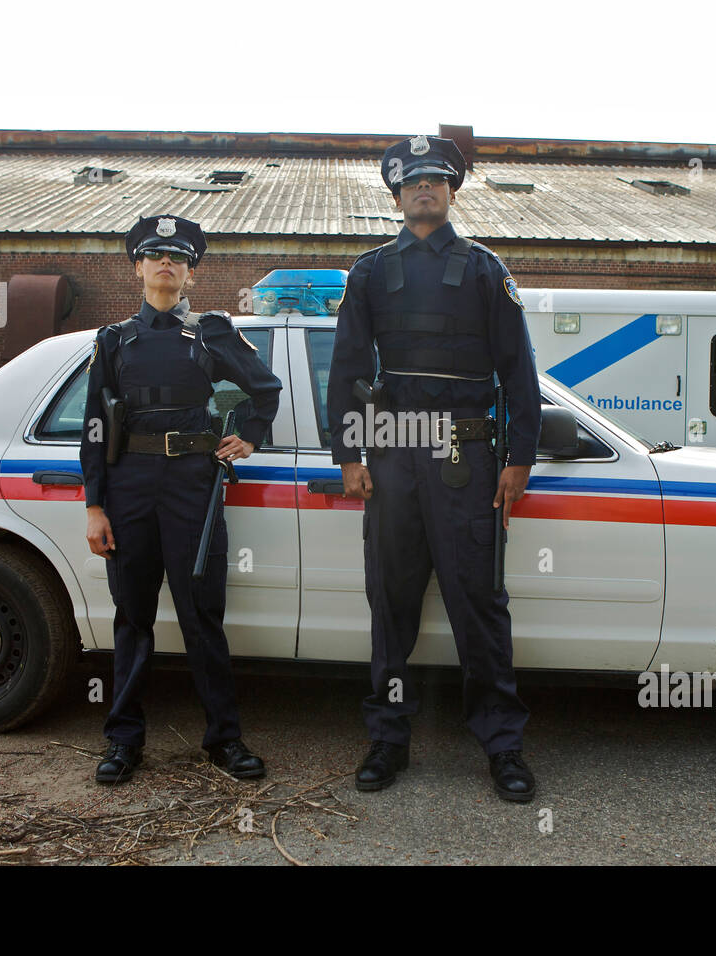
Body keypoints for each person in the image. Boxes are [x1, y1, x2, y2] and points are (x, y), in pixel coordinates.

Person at [327, 136, 542, 802]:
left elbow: (519, 372)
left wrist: (519, 457)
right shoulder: (368, 274)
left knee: (478, 606)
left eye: (436, 181)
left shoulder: (484, 271)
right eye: (412, 182)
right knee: (390, 607)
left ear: (451, 192)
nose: (424, 190)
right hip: (392, 462)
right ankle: (389, 738)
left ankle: (502, 746)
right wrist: (349, 455)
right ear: (396, 195)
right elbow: (348, 373)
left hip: (465, 459)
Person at [81, 215, 282, 784]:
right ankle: (123, 742)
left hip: (194, 484)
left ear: (190, 271)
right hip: (129, 488)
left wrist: (250, 434)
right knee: (133, 619)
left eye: (177, 257)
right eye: (154, 255)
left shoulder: (211, 332)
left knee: (202, 618)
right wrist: (95, 506)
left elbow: (265, 388)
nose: (165, 264)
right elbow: (95, 426)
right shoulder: (114, 340)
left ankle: (225, 740)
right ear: (138, 267)